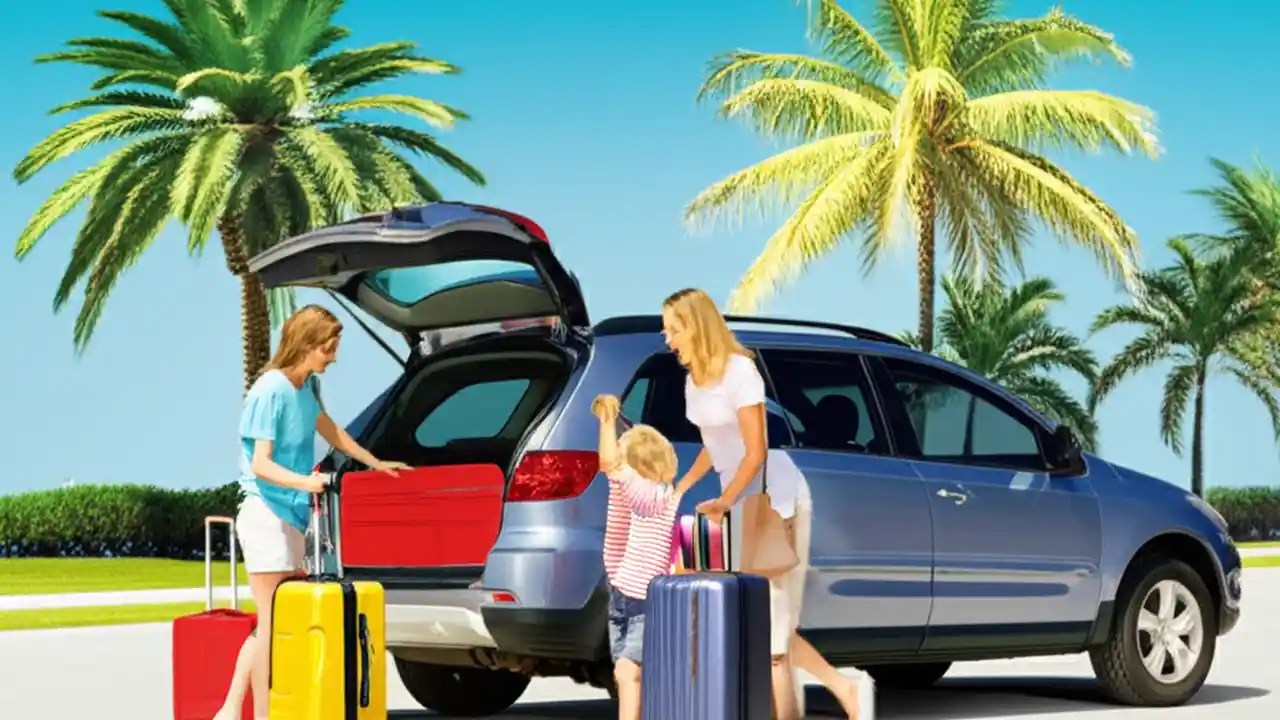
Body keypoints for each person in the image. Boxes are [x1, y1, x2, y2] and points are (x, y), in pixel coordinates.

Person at [662, 288, 863, 720]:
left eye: (673, 328)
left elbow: (756, 450)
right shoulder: (692, 381)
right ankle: (843, 687)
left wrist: (724, 500)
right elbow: (714, 445)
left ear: (696, 326)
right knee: (761, 624)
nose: (668, 338)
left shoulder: (740, 371)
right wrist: (683, 486)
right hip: (732, 504)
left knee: (773, 636)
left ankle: (822, 698)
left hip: (776, 504)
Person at [213, 305, 409, 720]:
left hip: (293, 514)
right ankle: (259, 714)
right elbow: (262, 464)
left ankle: (230, 709)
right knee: (270, 623)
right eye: (329, 347)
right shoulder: (269, 390)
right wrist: (308, 482)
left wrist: (375, 462)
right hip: (266, 512)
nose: (333, 356)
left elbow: (331, 430)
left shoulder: (306, 388)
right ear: (306, 343)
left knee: (272, 620)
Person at [592, 394, 682, 720]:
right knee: (626, 672)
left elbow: (608, 463)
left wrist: (606, 421)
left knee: (629, 672)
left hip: (642, 598)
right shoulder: (639, 492)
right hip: (624, 592)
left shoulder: (649, 494)